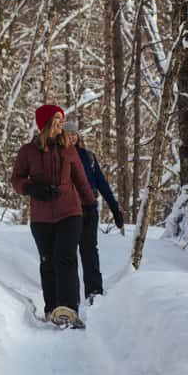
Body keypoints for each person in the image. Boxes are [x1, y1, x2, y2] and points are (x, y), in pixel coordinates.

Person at [11, 104, 96, 328]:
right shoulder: (28, 151)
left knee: (65, 257)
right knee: (47, 261)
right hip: (41, 218)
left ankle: (68, 309)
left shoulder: (68, 149)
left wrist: (91, 205)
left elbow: (80, 180)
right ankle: (52, 309)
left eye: (62, 119)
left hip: (69, 212)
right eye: (57, 119)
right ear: (45, 123)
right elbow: (17, 179)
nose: (61, 123)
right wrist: (31, 189)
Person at [63, 120, 123, 304]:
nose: (72, 138)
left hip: (89, 209)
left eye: (74, 134)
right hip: (69, 210)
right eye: (68, 134)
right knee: (68, 254)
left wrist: (114, 207)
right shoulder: (60, 156)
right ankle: (68, 297)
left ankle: (94, 292)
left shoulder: (88, 156)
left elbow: (102, 183)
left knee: (90, 250)